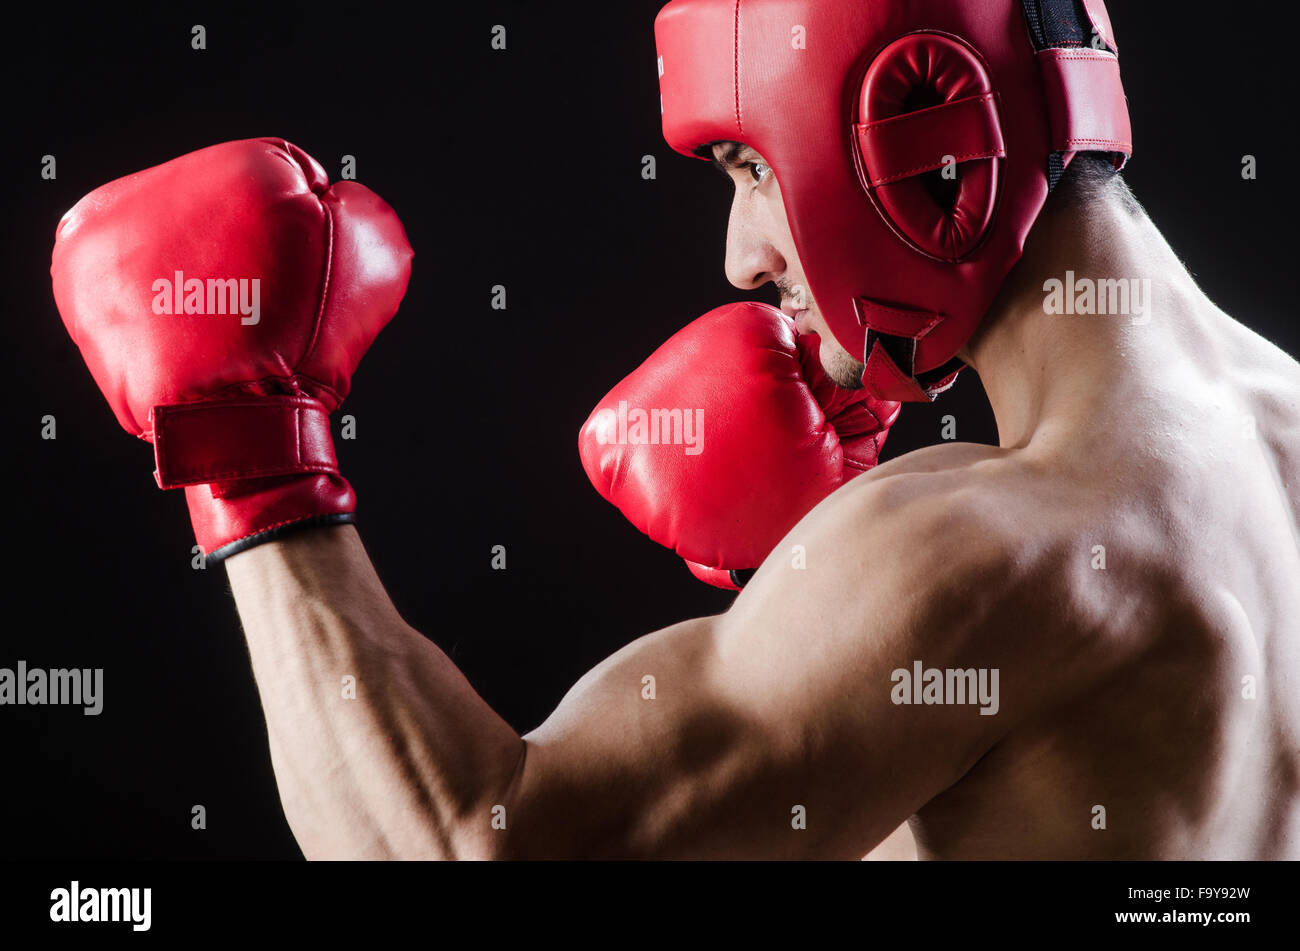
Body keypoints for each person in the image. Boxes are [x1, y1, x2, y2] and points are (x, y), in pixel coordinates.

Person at [51, 1, 1300, 859]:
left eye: (750, 168)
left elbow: (461, 847)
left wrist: (251, 453)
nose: (741, 255)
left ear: (921, 133)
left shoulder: (981, 551)